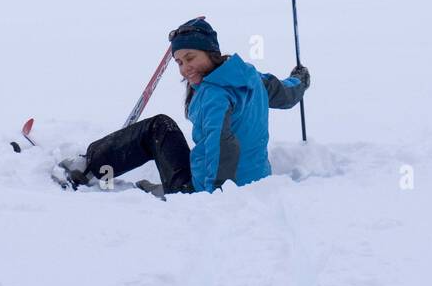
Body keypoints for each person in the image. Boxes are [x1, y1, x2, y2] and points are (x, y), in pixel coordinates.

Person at [61, 18, 309, 198]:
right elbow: (287, 94)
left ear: (212, 53)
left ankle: (87, 167)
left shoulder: (215, 96)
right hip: (255, 181)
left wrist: (217, 197)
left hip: (211, 190)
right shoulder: (252, 78)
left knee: (159, 127)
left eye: (190, 58)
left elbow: (224, 144)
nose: (184, 69)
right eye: (179, 62)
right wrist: (300, 80)